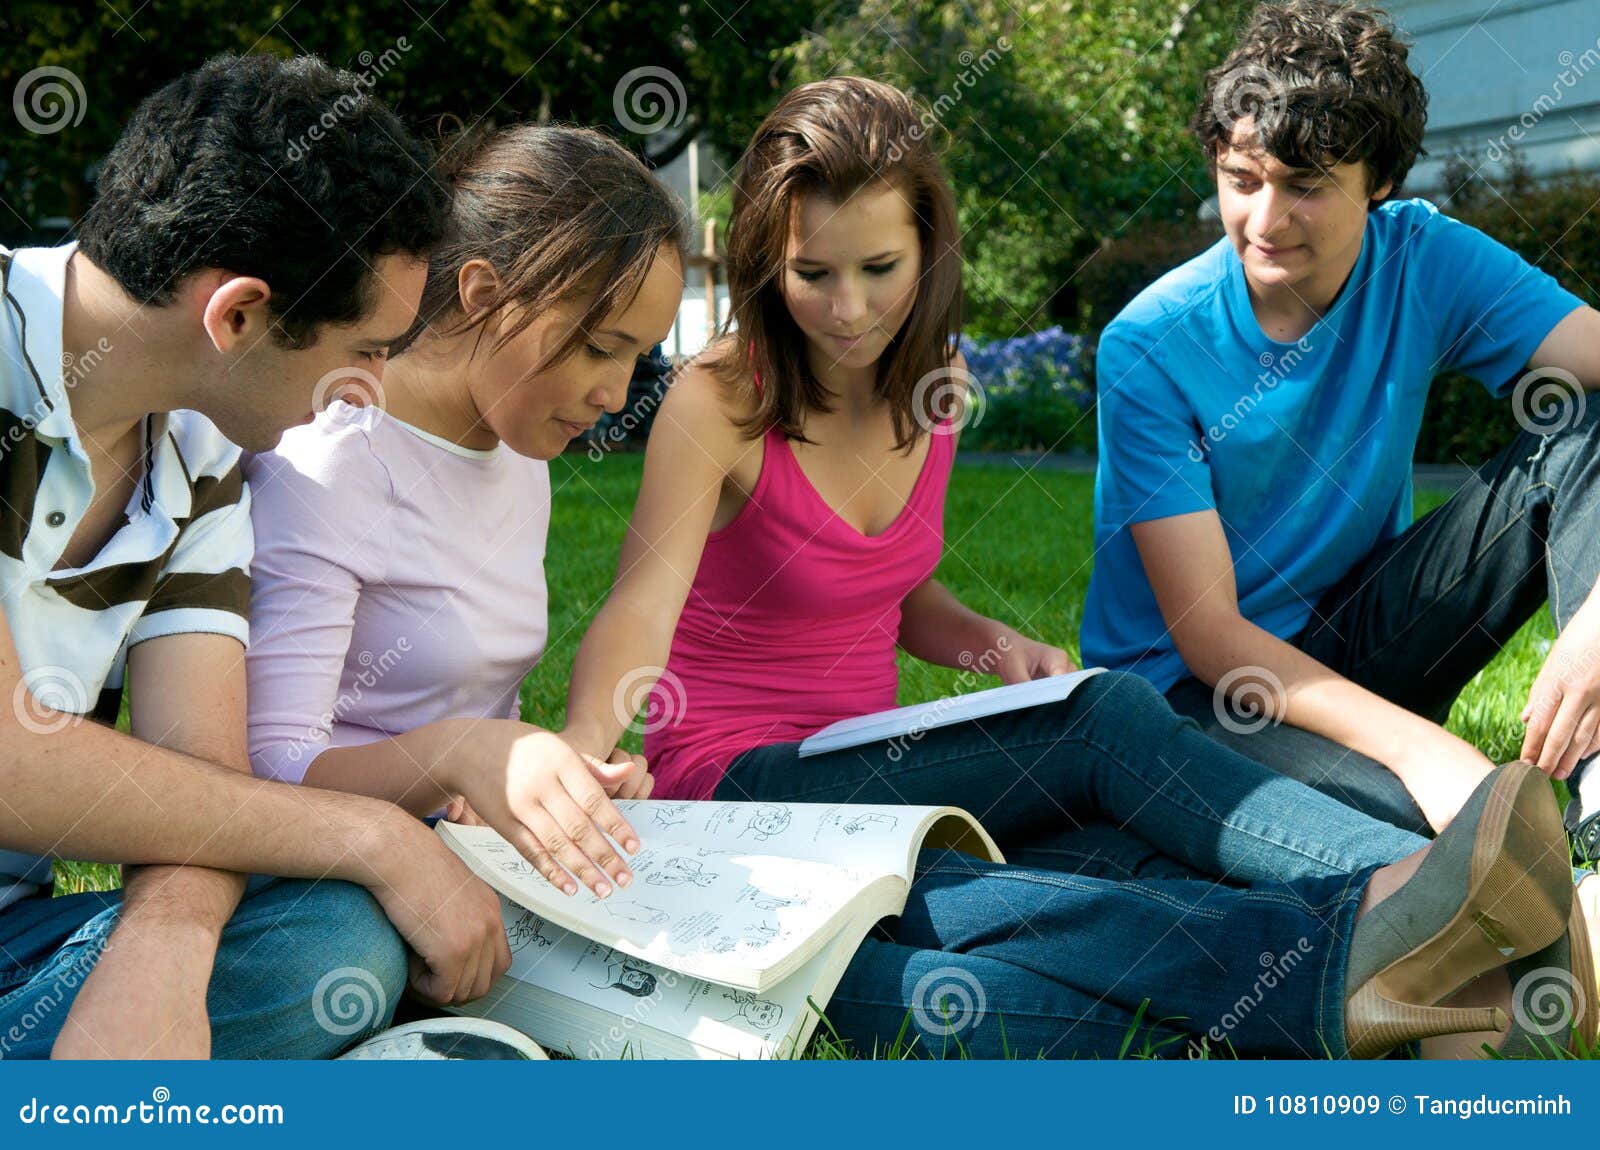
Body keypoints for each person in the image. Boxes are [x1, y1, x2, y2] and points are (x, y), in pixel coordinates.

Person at [542, 76, 1590, 1058]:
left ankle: (1414, 984)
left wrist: (994, 646)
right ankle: (1420, 903)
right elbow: (639, 606)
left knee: (1094, 865)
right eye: (813, 274)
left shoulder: (931, 386)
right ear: (768, 265)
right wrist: (582, 751)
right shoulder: (721, 397)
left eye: (879, 270)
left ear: (928, 252)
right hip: (737, 779)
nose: (849, 309)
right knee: (1102, 719)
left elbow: (893, 595)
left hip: (872, 782)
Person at [0, 54, 510, 1061]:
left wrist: (167, 943)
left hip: (17, 943)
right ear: (236, 315)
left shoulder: (197, 448)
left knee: (334, 944)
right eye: (366, 349)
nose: (370, 391)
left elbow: (204, 777)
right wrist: (374, 833)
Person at [1082, 0, 1600, 850]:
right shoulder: (1151, 343)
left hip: (1353, 633)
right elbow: (1209, 637)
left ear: (1380, 181)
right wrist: (1424, 750)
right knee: (1431, 836)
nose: (1264, 222)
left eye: (1306, 186)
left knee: (1583, 428)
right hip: (1192, 697)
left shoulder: (1422, 257)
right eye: (1242, 180)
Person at [244, 123, 687, 904]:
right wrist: (457, 760)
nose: (617, 394)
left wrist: (556, 774)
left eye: (638, 356)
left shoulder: (519, 452)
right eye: (597, 347)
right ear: (484, 295)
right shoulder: (331, 464)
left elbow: (482, 730)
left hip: (478, 859)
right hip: (334, 884)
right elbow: (271, 769)